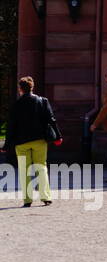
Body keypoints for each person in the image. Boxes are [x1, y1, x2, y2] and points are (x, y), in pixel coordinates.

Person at [1, 76, 62, 207]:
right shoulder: (42, 101)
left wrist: (6, 145)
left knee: (24, 170)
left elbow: (11, 125)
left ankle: (27, 200)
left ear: (20, 89)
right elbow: (51, 120)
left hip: (21, 142)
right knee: (41, 167)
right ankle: (46, 197)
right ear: (32, 87)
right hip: (39, 140)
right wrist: (58, 136)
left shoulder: (16, 104)